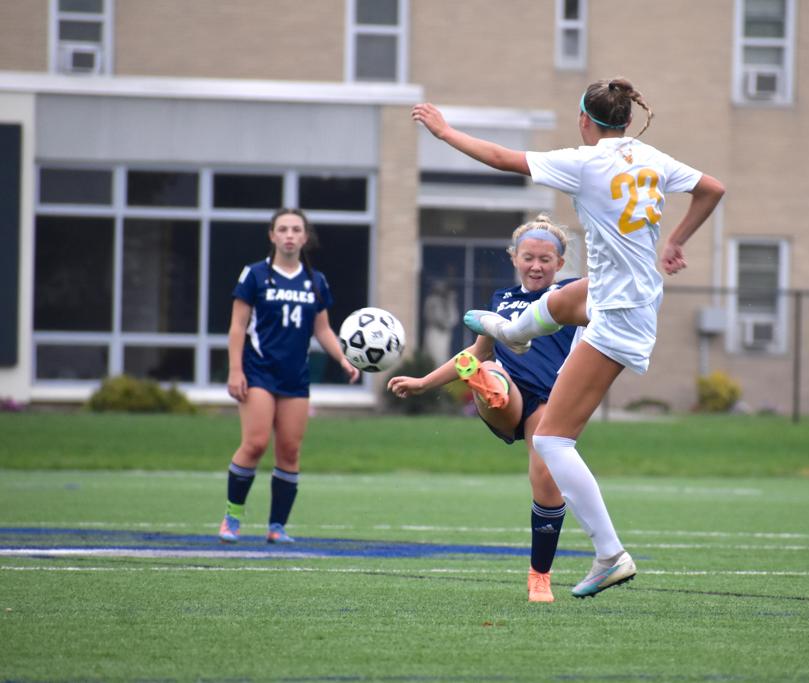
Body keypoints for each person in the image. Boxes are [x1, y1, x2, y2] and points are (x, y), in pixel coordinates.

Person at [412, 77, 725, 598]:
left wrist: (444, 132)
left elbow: (502, 157)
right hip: (615, 292)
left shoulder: (585, 163)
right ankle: (509, 329)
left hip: (620, 312)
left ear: (586, 120)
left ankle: (609, 554)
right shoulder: (650, 157)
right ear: (626, 121)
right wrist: (675, 240)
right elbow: (712, 188)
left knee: (552, 440)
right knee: (555, 304)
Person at [387, 214, 576, 603]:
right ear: (513, 258)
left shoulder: (570, 293)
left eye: (545, 259)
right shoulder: (500, 301)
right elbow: (475, 350)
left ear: (560, 262)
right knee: (486, 365)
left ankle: (540, 576)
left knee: (547, 484)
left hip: (550, 399)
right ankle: (487, 385)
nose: (536, 265)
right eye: (528, 257)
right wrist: (423, 382)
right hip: (508, 393)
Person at [219, 208, 361, 544]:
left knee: (290, 451)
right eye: (282, 229)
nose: (289, 235)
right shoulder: (254, 275)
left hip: (295, 377)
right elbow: (237, 327)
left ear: (305, 237)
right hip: (258, 372)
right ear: (272, 235)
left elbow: (322, 329)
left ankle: (276, 526)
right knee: (254, 444)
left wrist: (343, 357)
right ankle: (232, 518)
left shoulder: (316, 280)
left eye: (296, 229)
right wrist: (235, 369)